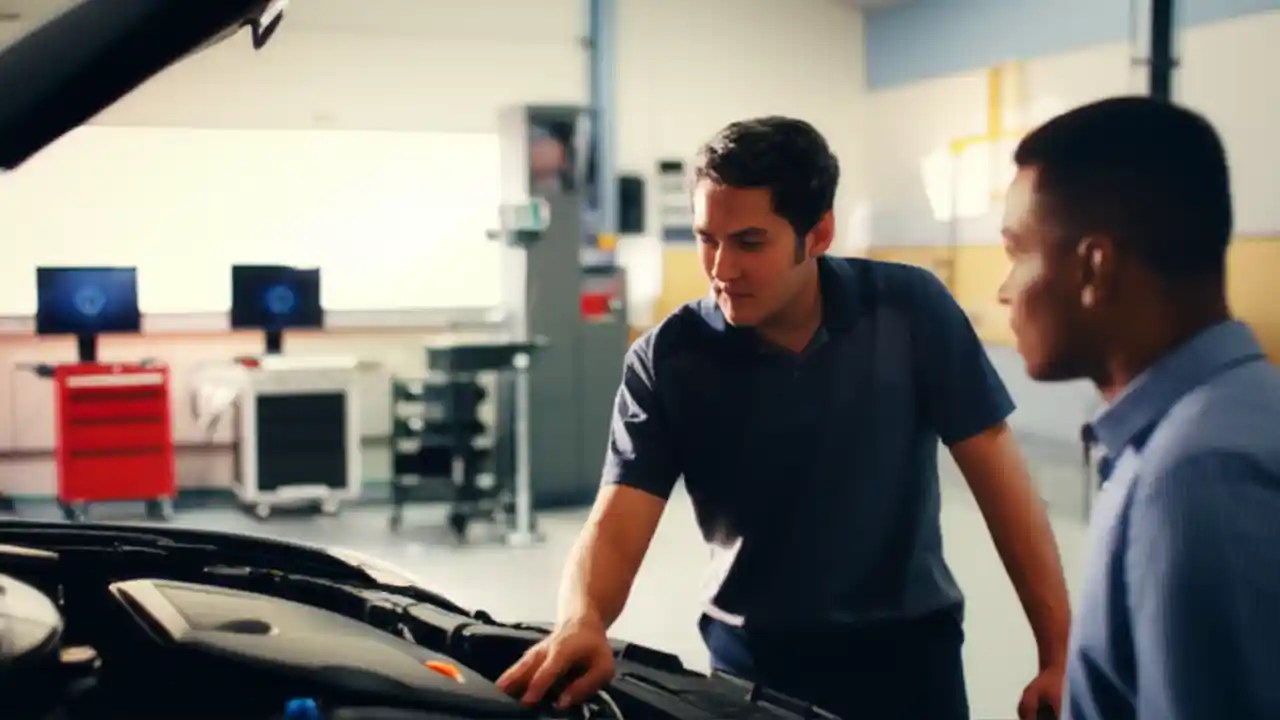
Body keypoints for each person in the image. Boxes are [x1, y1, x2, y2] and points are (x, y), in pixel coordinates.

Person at [498, 116, 1072, 720]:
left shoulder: (910, 311)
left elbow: (1002, 484)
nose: (721, 268)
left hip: (909, 658)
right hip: (753, 668)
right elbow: (617, 520)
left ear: (818, 233)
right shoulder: (668, 358)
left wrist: (1059, 653)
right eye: (706, 238)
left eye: (749, 242)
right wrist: (581, 618)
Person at [997, 96, 1280, 720]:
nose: (1004, 290)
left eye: (1018, 253)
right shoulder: (1233, 416)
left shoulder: (1195, 477)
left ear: (1094, 267)